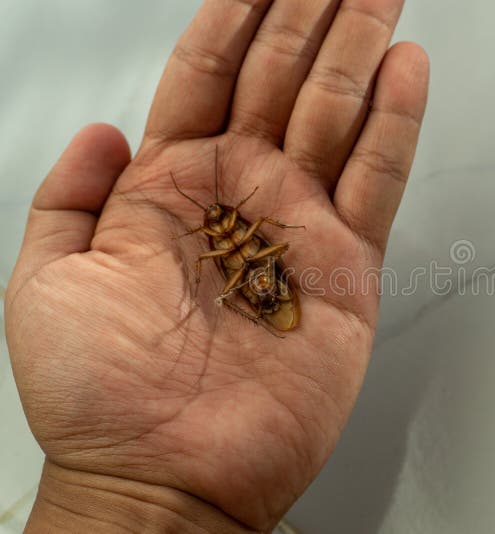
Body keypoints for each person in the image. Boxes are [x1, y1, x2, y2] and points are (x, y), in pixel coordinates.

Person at [4, 0, 429, 531]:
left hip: (252, 273)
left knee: (250, 276)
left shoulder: (229, 234)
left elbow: (251, 238)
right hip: (256, 274)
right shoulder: (229, 236)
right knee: (251, 280)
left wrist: (108, 493)